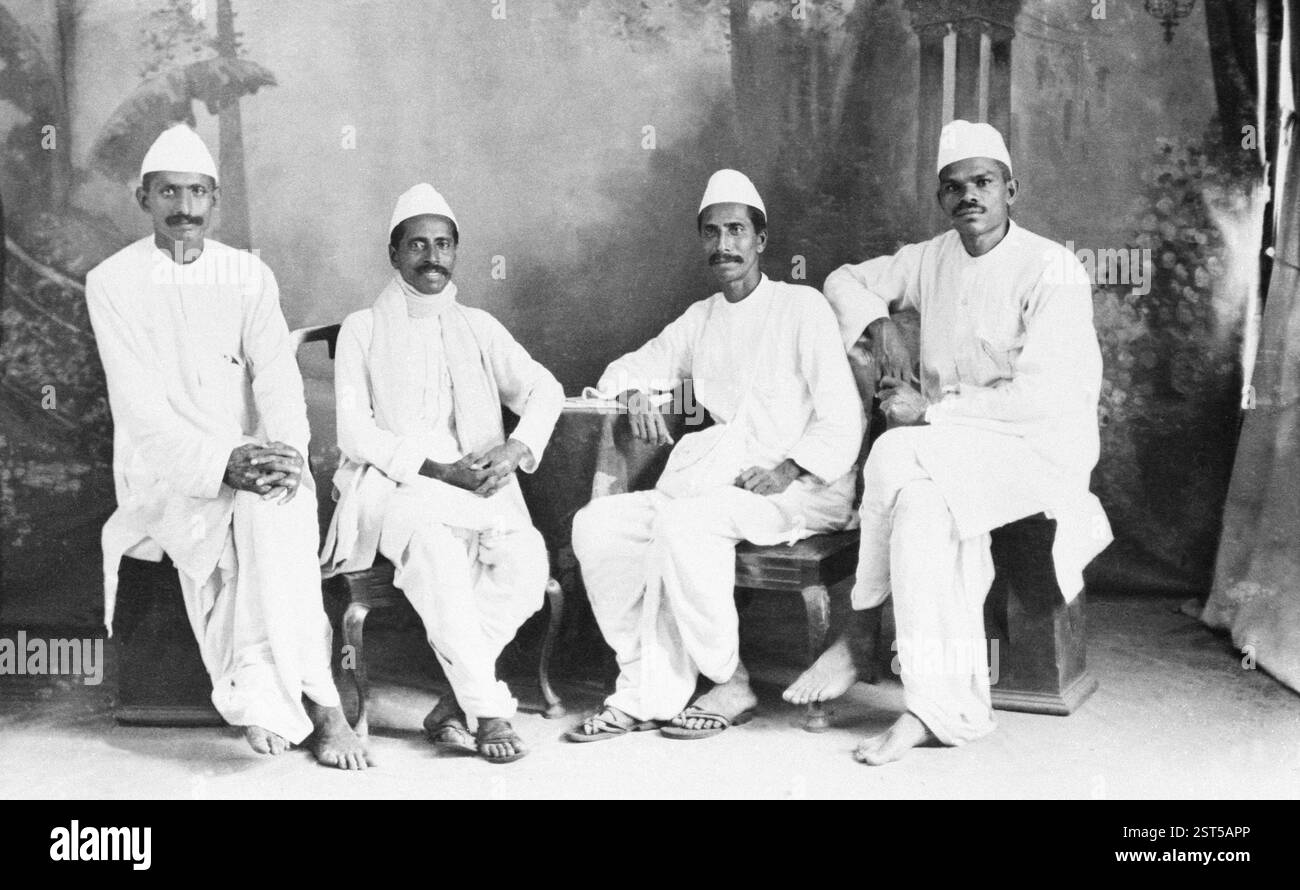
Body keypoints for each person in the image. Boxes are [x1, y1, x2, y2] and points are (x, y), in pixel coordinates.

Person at [782, 119, 1113, 764]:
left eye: (983, 182)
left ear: (1011, 190)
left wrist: (932, 412)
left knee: (892, 451)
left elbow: (1045, 399)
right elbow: (843, 280)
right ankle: (938, 709)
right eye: (954, 187)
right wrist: (882, 327)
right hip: (950, 455)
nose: (969, 197)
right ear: (942, 199)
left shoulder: (1053, 267)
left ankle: (860, 631)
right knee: (923, 512)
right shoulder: (931, 257)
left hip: (1036, 449)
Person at [86, 124, 369, 769]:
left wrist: (287, 452)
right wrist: (221, 465)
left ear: (215, 200)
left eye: (197, 193)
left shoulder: (247, 273)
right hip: (162, 471)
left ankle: (264, 692)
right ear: (143, 199)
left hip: (251, 454)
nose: (184, 208)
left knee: (281, 505)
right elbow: (139, 411)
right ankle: (317, 702)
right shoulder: (111, 282)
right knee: (252, 517)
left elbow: (276, 374)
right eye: (168, 193)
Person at [566, 170, 865, 742]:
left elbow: (841, 418)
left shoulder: (801, 307)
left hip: (804, 489)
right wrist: (633, 396)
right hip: (719, 481)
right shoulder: (701, 318)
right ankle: (648, 685)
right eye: (711, 232)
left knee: (685, 522)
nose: (723, 245)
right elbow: (624, 368)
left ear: (761, 240)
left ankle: (730, 680)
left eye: (735, 230)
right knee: (597, 525)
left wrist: (790, 469)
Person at [321, 183, 563, 764]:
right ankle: (490, 712)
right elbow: (356, 435)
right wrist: (439, 471)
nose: (432, 257)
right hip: (392, 484)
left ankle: (454, 698)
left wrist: (514, 452)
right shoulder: (362, 328)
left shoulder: (477, 326)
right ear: (394, 254)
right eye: (418, 245)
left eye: (444, 245)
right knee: (435, 554)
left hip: (475, 486)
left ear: (456, 253)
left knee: (528, 560)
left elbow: (544, 389)